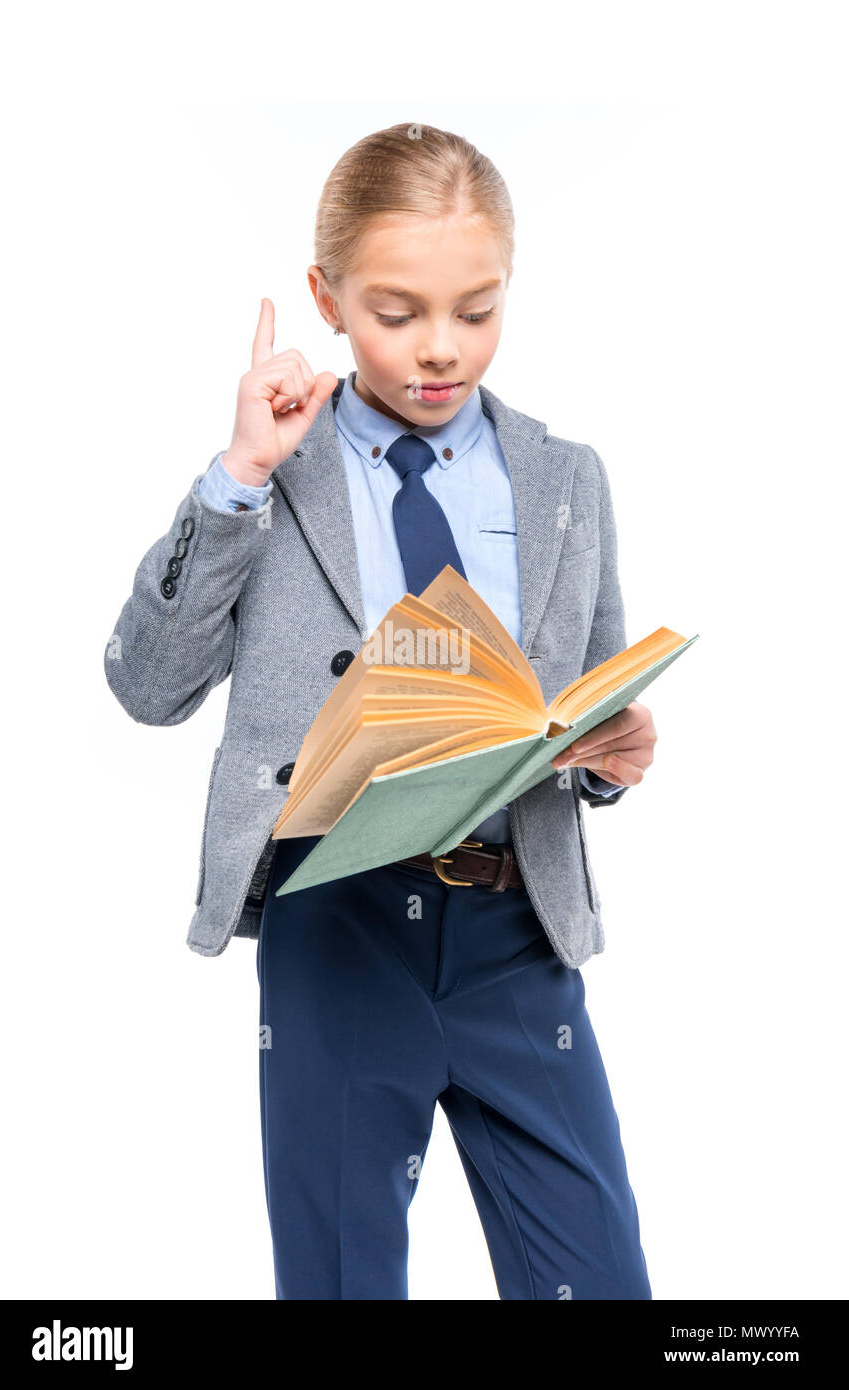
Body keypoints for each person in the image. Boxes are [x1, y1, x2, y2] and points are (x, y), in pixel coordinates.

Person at [105, 122, 658, 1300]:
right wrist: (239, 475)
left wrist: (612, 757)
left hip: (517, 932)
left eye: (478, 309)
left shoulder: (568, 480)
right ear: (328, 296)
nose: (440, 350)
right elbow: (148, 686)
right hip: (338, 926)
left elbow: (582, 713)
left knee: (602, 1282)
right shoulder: (277, 474)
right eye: (397, 313)